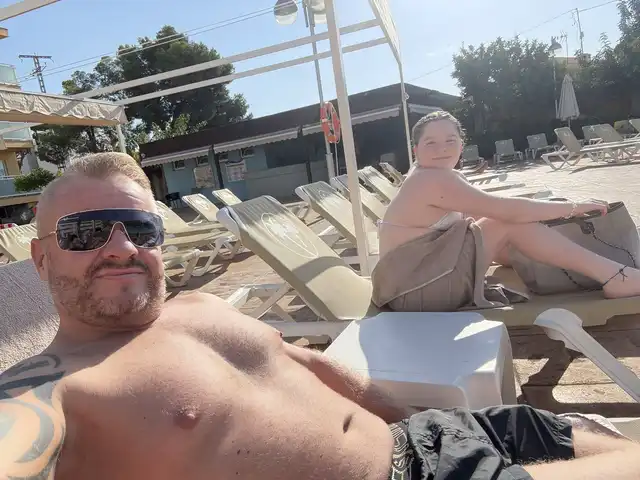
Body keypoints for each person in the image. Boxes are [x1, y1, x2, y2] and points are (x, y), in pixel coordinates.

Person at [1, 152, 639, 480]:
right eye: (85, 232)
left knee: (611, 441)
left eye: (140, 228)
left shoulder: (199, 306)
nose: (120, 247)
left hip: (432, 435)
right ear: (40, 257)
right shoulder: (53, 388)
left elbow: (306, 364)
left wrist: (419, 418)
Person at [372, 111, 640, 312]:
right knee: (507, 222)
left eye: (450, 140)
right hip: (416, 293)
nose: (442, 149)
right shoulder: (431, 180)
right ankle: (615, 276)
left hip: (411, 285)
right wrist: (573, 208)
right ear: (416, 150)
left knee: (501, 223)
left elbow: (481, 217)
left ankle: (586, 270)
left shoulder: (428, 175)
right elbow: (506, 212)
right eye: (430, 143)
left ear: (461, 145)